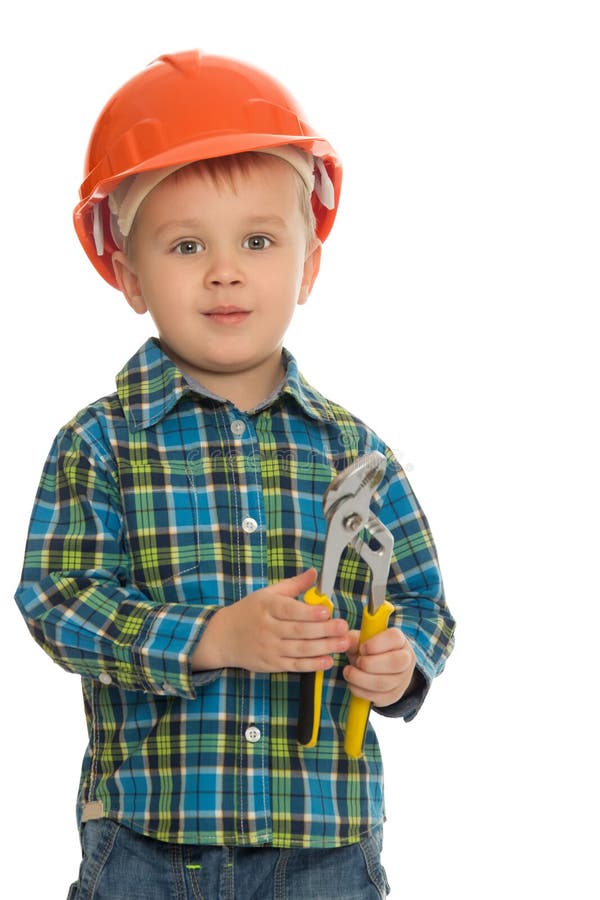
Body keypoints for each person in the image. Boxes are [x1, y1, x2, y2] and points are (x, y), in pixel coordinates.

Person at [15, 51, 455, 899]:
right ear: (129, 273)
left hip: (326, 845)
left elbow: (425, 601)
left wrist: (400, 665)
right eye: (187, 246)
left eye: (258, 240)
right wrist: (209, 638)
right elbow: (57, 601)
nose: (226, 270)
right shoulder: (99, 443)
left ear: (309, 265)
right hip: (150, 843)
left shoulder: (355, 453)